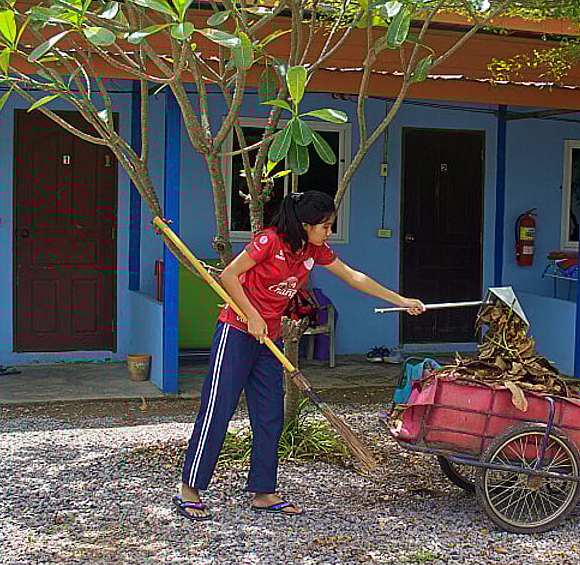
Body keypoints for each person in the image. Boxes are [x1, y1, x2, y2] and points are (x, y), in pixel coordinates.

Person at [173, 190, 426, 521]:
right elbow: (229, 276)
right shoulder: (268, 241)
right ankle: (189, 489)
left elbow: (353, 277)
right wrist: (251, 315)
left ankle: (263, 491)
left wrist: (401, 300)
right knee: (217, 410)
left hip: (268, 339)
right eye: (325, 226)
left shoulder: (313, 249)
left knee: (269, 415)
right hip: (236, 333)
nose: (329, 232)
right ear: (305, 224)